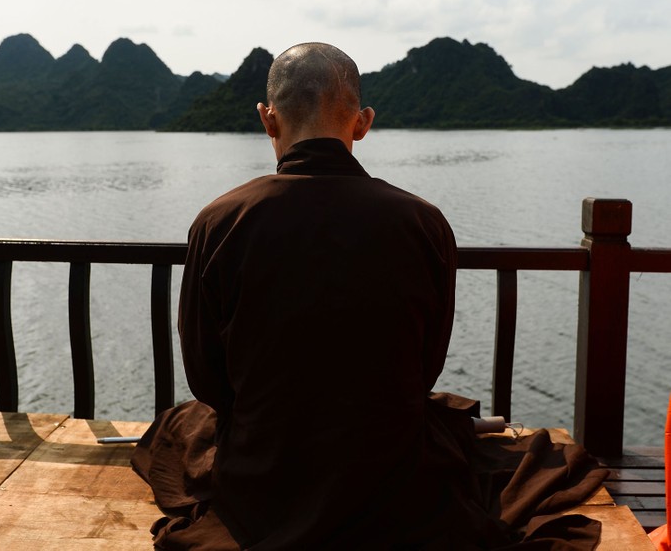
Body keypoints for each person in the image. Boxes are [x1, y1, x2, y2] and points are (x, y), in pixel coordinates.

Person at [133, 43, 606, 550]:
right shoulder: (422, 222)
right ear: (362, 123)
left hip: (265, 469)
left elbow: (207, 378)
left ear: (268, 121)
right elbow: (425, 367)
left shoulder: (219, 221)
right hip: (388, 468)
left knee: (179, 426)